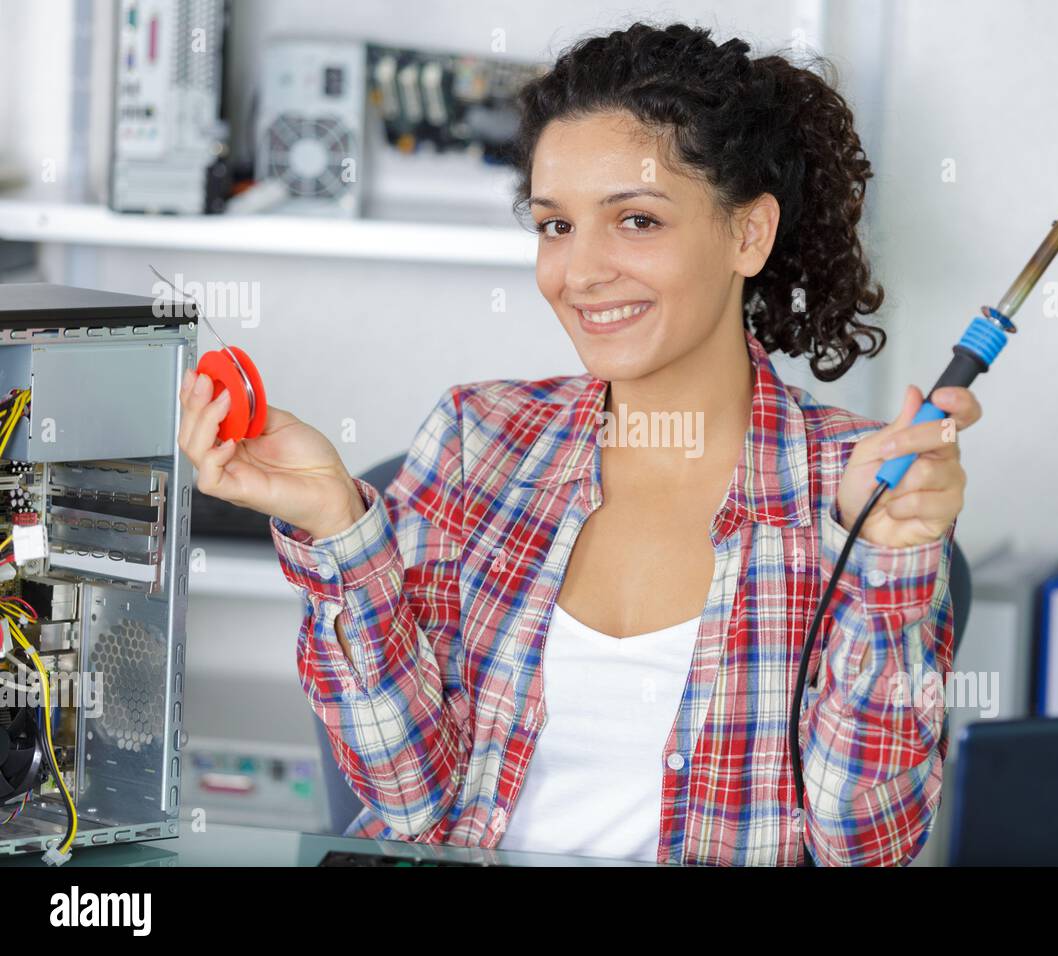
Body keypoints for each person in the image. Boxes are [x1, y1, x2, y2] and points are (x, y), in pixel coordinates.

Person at [177, 21, 981, 866]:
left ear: (749, 234)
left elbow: (864, 844)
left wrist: (891, 567)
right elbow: (408, 803)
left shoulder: (855, 488)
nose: (580, 271)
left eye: (635, 220)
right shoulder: (476, 439)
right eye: (555, 225)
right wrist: (338, 525)